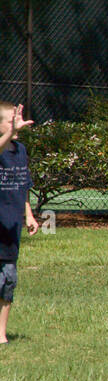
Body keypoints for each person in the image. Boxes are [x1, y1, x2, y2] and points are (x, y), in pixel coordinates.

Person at [0, 102, 39, 344]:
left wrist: (29, 214)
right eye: (10, 119)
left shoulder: (21, 150)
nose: (17, 122)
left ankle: (1, 334)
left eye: (18, 118)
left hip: (11, 231)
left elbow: (23, 185)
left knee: (8, 282)